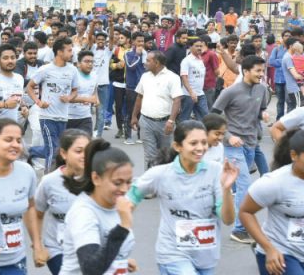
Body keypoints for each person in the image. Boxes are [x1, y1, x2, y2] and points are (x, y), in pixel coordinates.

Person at [127, 120, 238, 275]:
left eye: (204, 142)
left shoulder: (216, 172)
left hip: (207, 257)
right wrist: (120, 243)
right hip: (172, 255)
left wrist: (226, 190)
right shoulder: (160, 174)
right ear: (178, 146)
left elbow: (228, 219)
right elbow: (129, 199)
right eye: (193, 143)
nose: (200, 148)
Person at [211, 55, 270, 244]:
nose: (261, 74)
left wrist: (263, 114)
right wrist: (228, 136)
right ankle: (239, 229)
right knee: (244, 186)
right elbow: (213, 118)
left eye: (263, 71)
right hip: (232, 146)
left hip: (251, 144)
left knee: (242, 186)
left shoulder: (262, 89)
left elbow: (259, 110)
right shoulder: (230, 92)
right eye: (257, 71)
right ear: (246, 71)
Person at [61, 139, 137, 275]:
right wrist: (123, 227)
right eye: (117, 183)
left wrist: (120, 261)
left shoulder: (116, 204)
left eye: (128, 182)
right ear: (96, 178)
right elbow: (91, 269)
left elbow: (107, 250)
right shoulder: (83, 213)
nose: (125, 189)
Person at [239, 129, 304, 275]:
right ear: (294, 155)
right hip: (282, 253)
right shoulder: (275, 182)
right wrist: (269, 248)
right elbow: (245, 212)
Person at [0, 118, 39, 274]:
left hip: (15, 261)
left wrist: (37, 245)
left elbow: (30, 207)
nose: (15, 145)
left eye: (19, 140)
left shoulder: (27, 172)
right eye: (8, 140)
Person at [34, 130, 90, 274]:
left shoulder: (98, 181)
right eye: (78, 151)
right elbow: (37, 213)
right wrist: (38, 247)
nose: (84, 155)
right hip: (57, 249)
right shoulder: (49, 181)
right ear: (64, 154)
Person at [27, 37, 79, 167]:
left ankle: (29, 151)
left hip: (63, 117)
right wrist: (38, 102)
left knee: (58, 149)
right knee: (53, 151)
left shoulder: (72, 70)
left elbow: (75, 90)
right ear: (59, 52)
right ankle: (48, 180)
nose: (72, 53)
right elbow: (29, 87)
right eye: (69, 50)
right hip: (47, 117)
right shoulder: (45, 69)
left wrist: (69, 98)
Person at [130, 50, 183, 168]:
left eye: (148, 60)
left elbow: (177, 100)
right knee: (150, 156)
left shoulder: (172, 78)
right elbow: (139, 96)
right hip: (146, 122)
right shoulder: (145, 77)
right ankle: (149, 184)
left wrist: (171, 121)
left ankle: (164, 184)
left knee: (166, 156)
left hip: (165, 124)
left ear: (157, 63)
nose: (145, 63)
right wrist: (134, 116)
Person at [68, 50, 98, 135]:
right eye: (86, 61)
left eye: (92, 62)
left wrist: (96, 99)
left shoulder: (94, 75)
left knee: (86, 144)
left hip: (85, 117)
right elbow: (67, 97)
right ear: (78, 63)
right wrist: (86, 99)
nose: (90, 64)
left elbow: (94, 90)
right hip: (68, 118)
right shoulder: (72, 76)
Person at [180, 37, 209, 122]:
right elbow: (184, 77)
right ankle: (182, 134)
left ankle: (203, 134)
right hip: (188, 95)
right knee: (184, 118)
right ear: (190, 47)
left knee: (205, 117)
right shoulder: (186, 61)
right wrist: (191, 92)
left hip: (200, 93)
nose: (199, 48)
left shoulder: (200, 59)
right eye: (196, 46)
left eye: (201, 46)